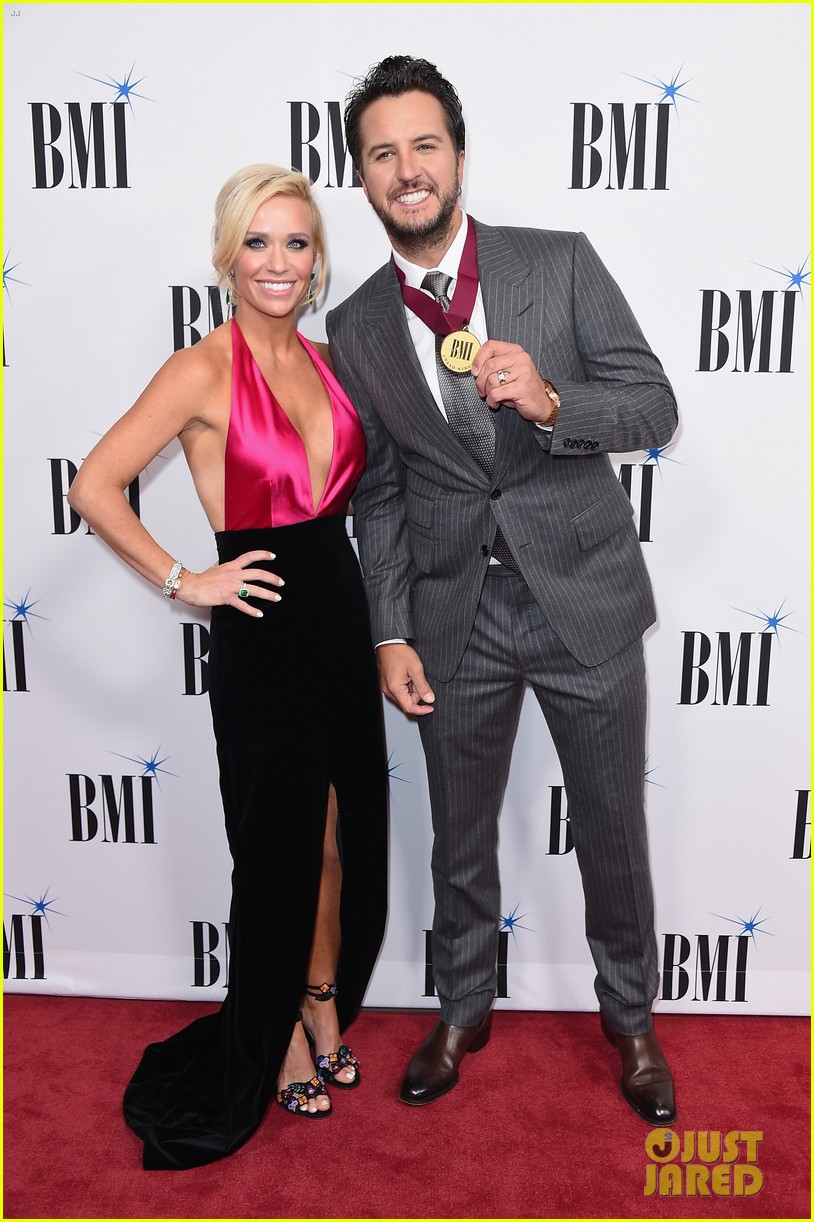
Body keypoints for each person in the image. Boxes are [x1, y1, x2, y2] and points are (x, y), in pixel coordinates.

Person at [326, 56, 678, 1124]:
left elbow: (653, 405)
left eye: (423, 145)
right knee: (458, 833)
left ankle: (630, 1022)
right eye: (382, 153)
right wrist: (388, 630)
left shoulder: (556, 262)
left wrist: (552, 398)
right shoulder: (354, 327)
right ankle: (461, 1007)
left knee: (612, 827)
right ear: (365, 178)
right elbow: (377, 499)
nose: (406, 168)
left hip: (585, 604)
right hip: (453, 619)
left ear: (459, 158)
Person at [67, 165, 388, 1169]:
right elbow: (94, 484)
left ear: (317, 257)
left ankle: (321, 998)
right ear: (227, 255)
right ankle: (273, 1028)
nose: (278, 263)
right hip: (262, 626)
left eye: (296, 243)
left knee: (337, 841)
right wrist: (183, 578)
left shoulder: (334, 359)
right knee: (276, 848)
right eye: (259, 243)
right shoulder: (202, 369)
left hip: (338, 608)